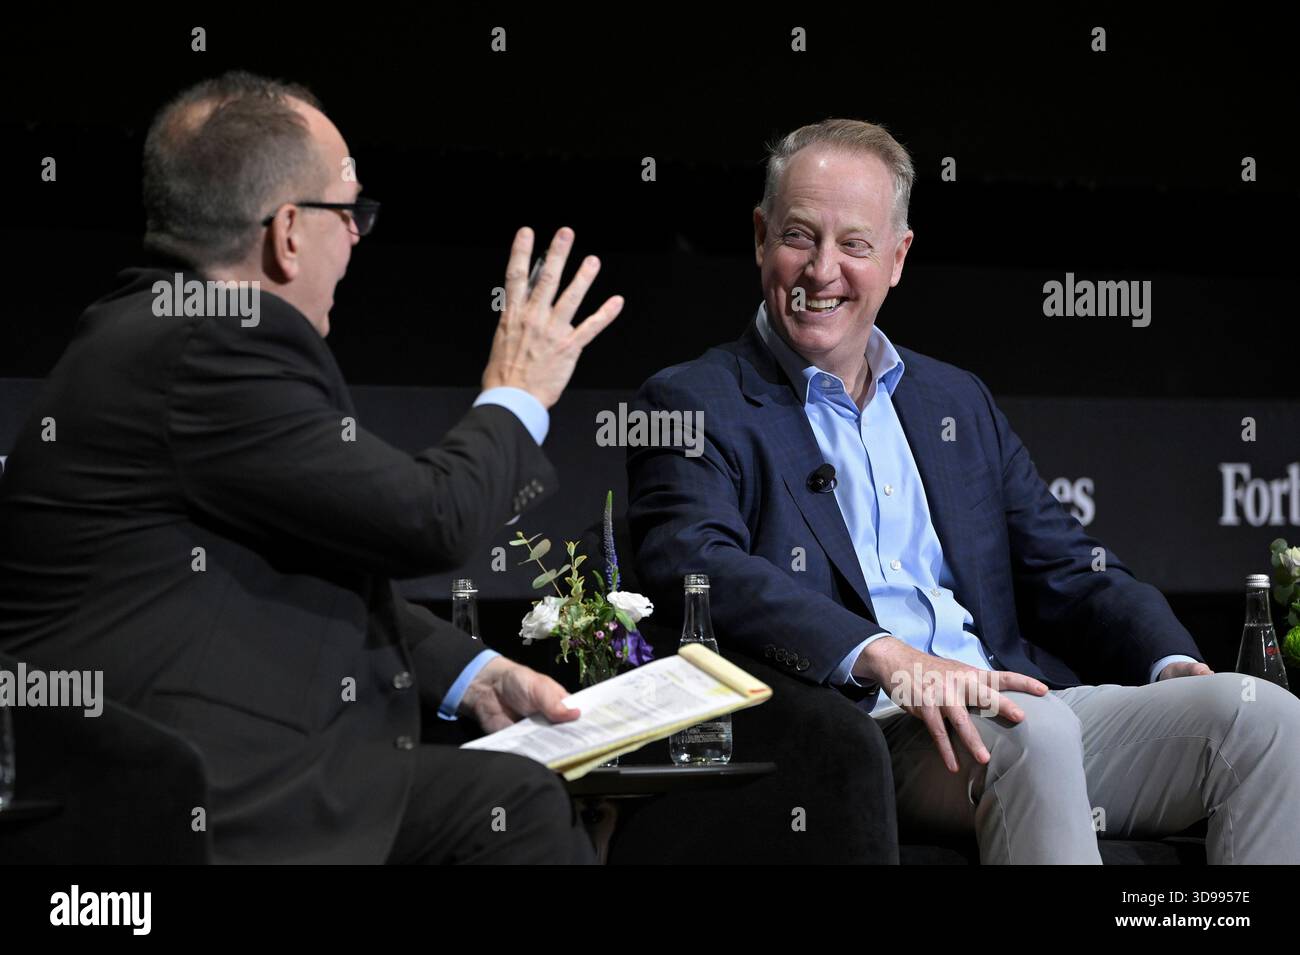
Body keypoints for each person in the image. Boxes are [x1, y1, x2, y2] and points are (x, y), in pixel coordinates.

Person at [626, 118, 1300, 863]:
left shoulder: (953, 401)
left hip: (1008, 707)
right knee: (1031, 735)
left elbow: (1069, 566)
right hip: (860, 729)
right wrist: (881, 652)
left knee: (1261, 717)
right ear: (759, 238)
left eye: (854, 244)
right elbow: (695, 564)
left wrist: (1170, 665)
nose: (822, 270)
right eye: (798, 236)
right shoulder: (692, 400)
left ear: (897, 256)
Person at [0, 71, 623, 864]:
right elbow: (434, 519)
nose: (360, 235)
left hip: (185, 777)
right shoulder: (214, 343)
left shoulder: (161, 330)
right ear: (288, 231)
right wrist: (517, 394)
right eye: (350, 209)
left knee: (510, 801)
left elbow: (318, 561)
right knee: (516, 809)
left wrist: (475, 672)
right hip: (187, 803)